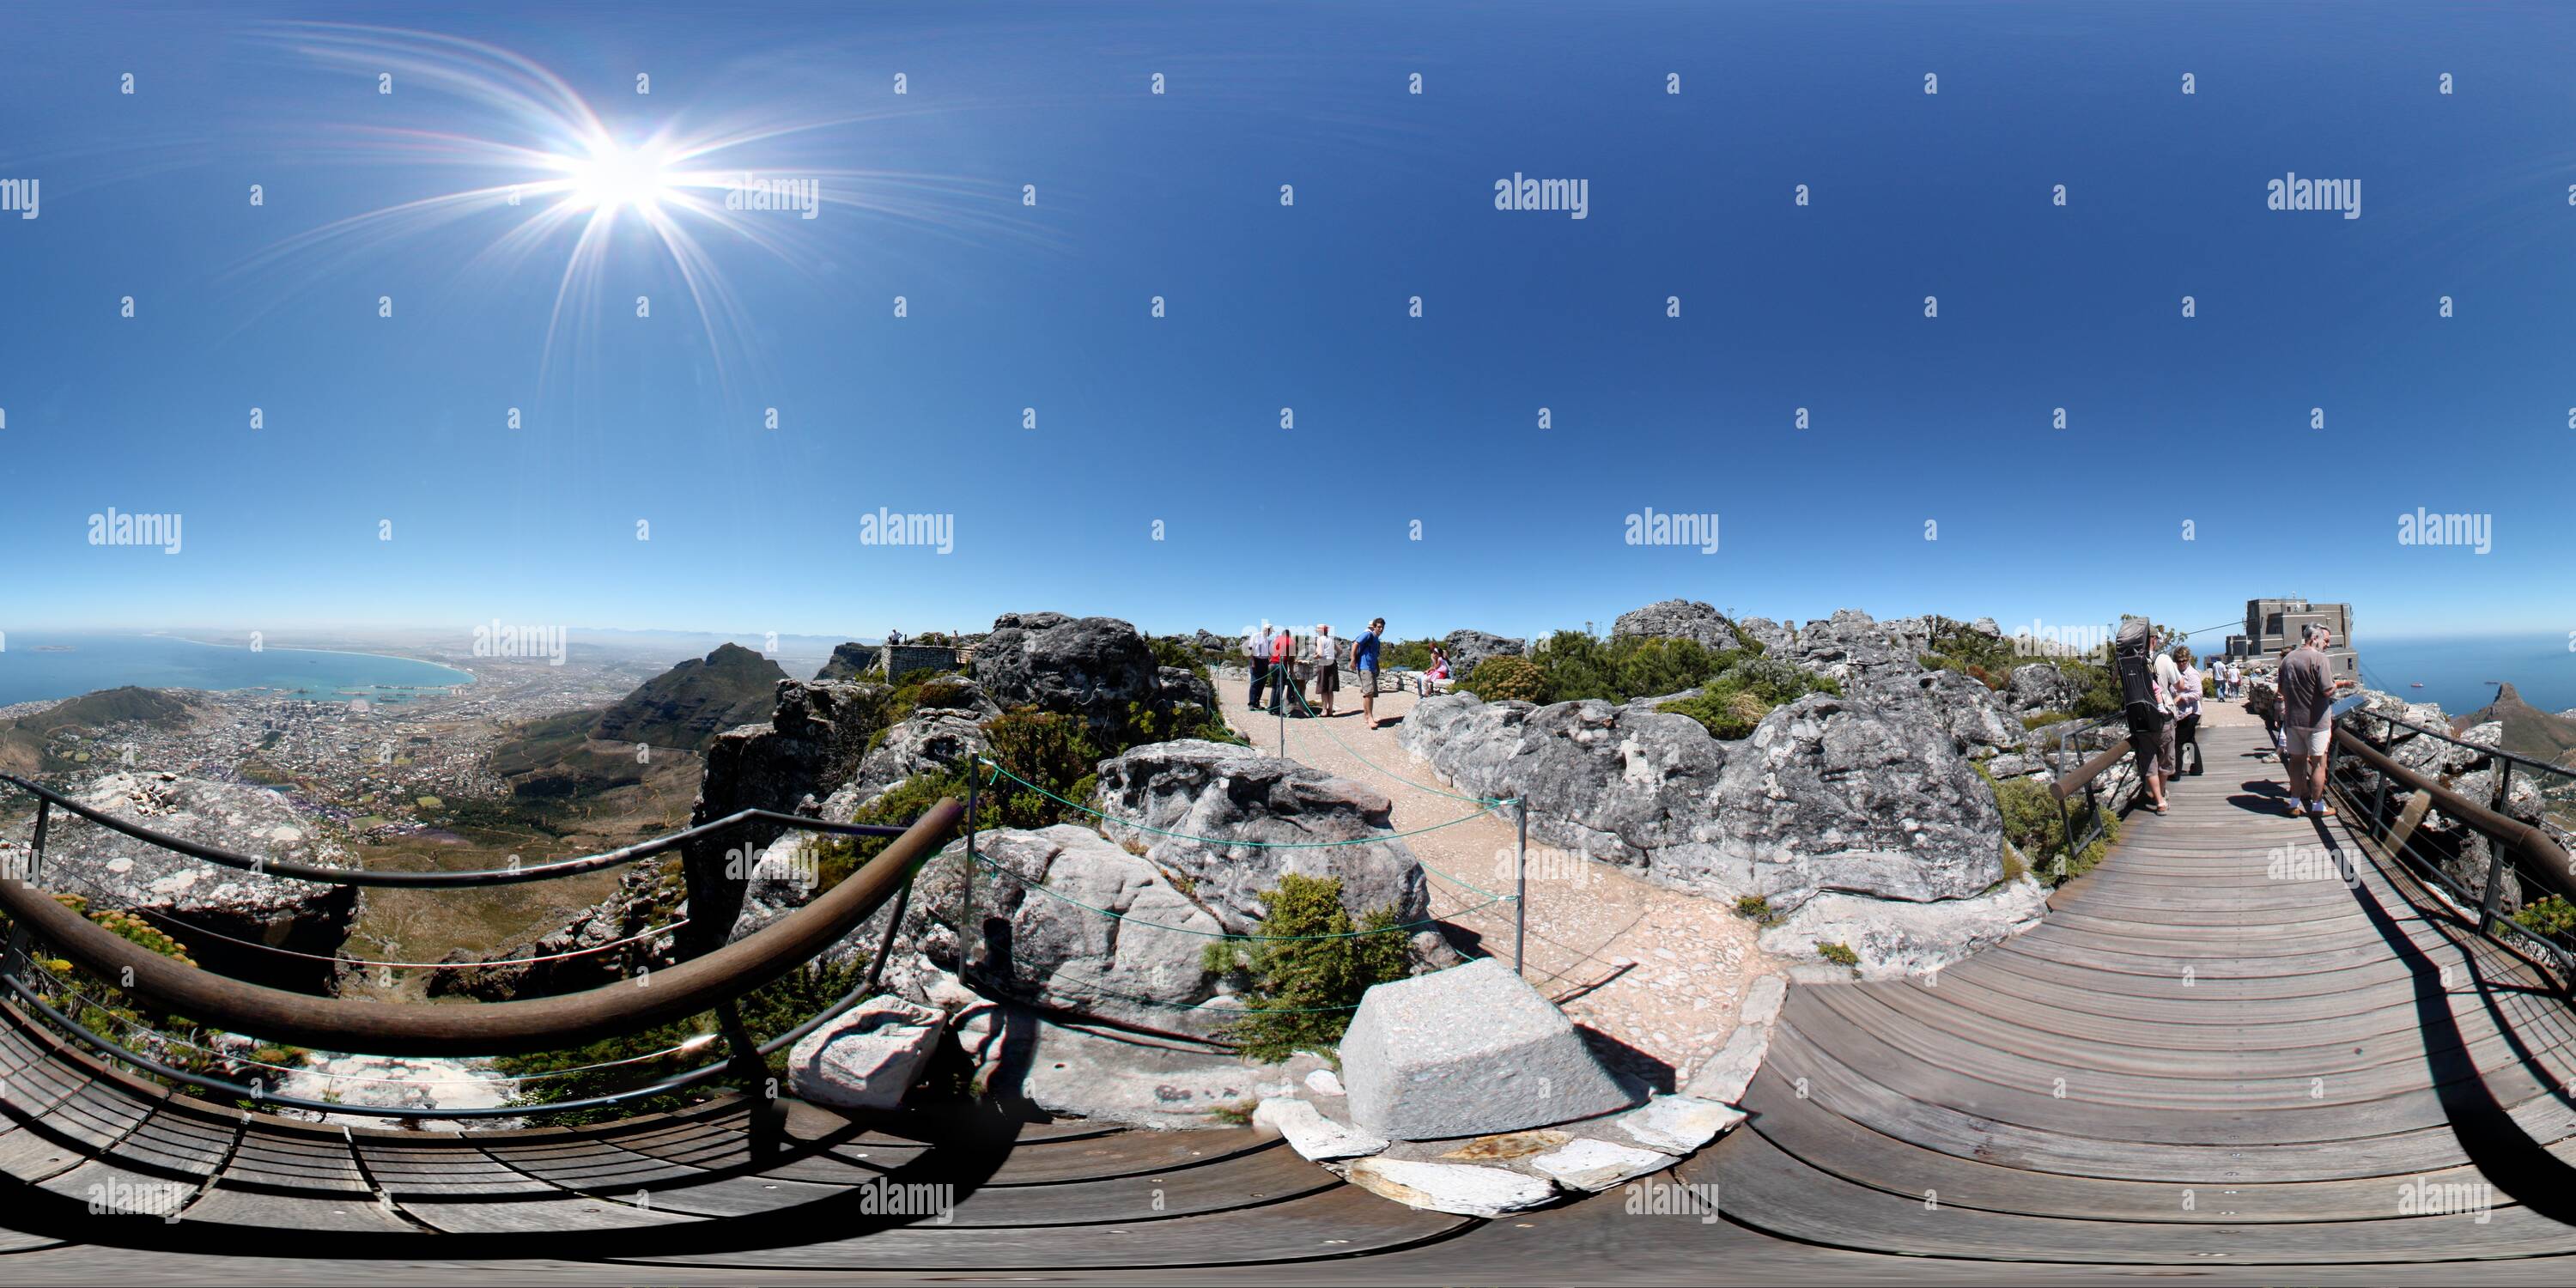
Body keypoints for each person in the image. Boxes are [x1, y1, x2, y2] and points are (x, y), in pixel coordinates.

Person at [2278, 623, 2354, 818]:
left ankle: (2294, 804)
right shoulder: (2320, 658)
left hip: (2293, 721)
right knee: (2319, 763)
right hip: (2316, 723)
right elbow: (2327, 690)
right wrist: (2338, 685)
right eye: (2325, 641)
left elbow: (2280, 690)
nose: (2327, 645)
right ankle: (2317, 806)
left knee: (2296, 762)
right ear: (2315, 639)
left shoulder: (2288, 659)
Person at [2142, 629, 2181, 813]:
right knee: (2166, 758)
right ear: (2153, 639)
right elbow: (2180, 685)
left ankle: (2159, 801)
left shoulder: (2130, 660)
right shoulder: (2164, 659)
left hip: (2141, 720)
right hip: (2163, 716)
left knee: (2149, 761)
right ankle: (2162, 793)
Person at [2172, 646, 2203, 776]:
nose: (2181, 663)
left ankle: (2176, 773)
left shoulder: (2192, 674)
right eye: (2179, 661)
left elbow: (2198, 694)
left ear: (2188, 659)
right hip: (2181, 713)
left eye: (2184, 660)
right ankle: (2196, 768)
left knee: (2178, 742)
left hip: (2191, 712)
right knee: (2189, 740)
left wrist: (2182, 697)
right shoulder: (2175, 671)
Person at [1352, 617, 1386, 728]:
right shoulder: (1368, 635)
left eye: (1382, 627)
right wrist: (1353, 660)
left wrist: (1377, 668)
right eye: (1379, 627)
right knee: (1369, 693)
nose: (1381, 629)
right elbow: (1355, 644)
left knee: (1369, 694)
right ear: (1374, 627)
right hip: (1364, 667)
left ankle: (1367, 716)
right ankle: (1370, 717)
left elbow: (1375, 656)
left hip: (1371, 668)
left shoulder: (1377, 640)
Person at [1310, 623, 1341, 718]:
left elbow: (1320, 653)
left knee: (1323, 687)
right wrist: (1334, 657)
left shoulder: (1320, 639)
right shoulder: (1331, 639)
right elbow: (1340, 651)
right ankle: (1330, 710)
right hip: (1332, 663)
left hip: (1324, 663)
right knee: (1330, 689)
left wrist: (1314, 657)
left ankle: (1324, 710)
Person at [1246, 623, 1275, 710]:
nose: (1271, 633)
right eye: (1270, 631)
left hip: (1265, 661)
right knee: (1255, 682)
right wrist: (1253, 661)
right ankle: (1251, 703)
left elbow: (1271, 652)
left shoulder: (1268, 640)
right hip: (1256, 660)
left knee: (1262, 683)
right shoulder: (1256, 636)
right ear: (1267, 630)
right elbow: (1250, 649)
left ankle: (1257, 703)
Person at [1268, 624, 1296, 715]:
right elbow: (1291, 659)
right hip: (1281, 665)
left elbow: (1271, 651)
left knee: (1274, 687)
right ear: (1289, 635)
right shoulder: (1291, 642)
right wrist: (1291, 671)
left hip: (1272, 664)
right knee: (1280, 687)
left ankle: (1271, 708)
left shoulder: (1276, 639)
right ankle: (1276, 709)